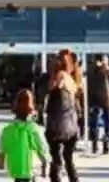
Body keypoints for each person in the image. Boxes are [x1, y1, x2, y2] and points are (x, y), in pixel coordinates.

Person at [44, 54, 81, 182]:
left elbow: (54, 87)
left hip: (58, 125)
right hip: (71, 125)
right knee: (68, 158)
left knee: (56, 157)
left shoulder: (61, 76)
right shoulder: (72, 79)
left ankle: (56, 177)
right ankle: (73, 178)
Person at [0, 89, 48, 182]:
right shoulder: (34, 129)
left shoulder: (8, 130)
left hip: (15, 168)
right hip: (31, 168)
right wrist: (44, 164)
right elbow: (40, 147)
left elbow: (3, 147)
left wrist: (1, 162)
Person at [86, 55, 109, 155]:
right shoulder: (105, 70)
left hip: (95, 99)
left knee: (96, 122)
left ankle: (96, 145)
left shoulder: (91, 69)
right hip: (105, 99)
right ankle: (105, 144)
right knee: (106, 122)